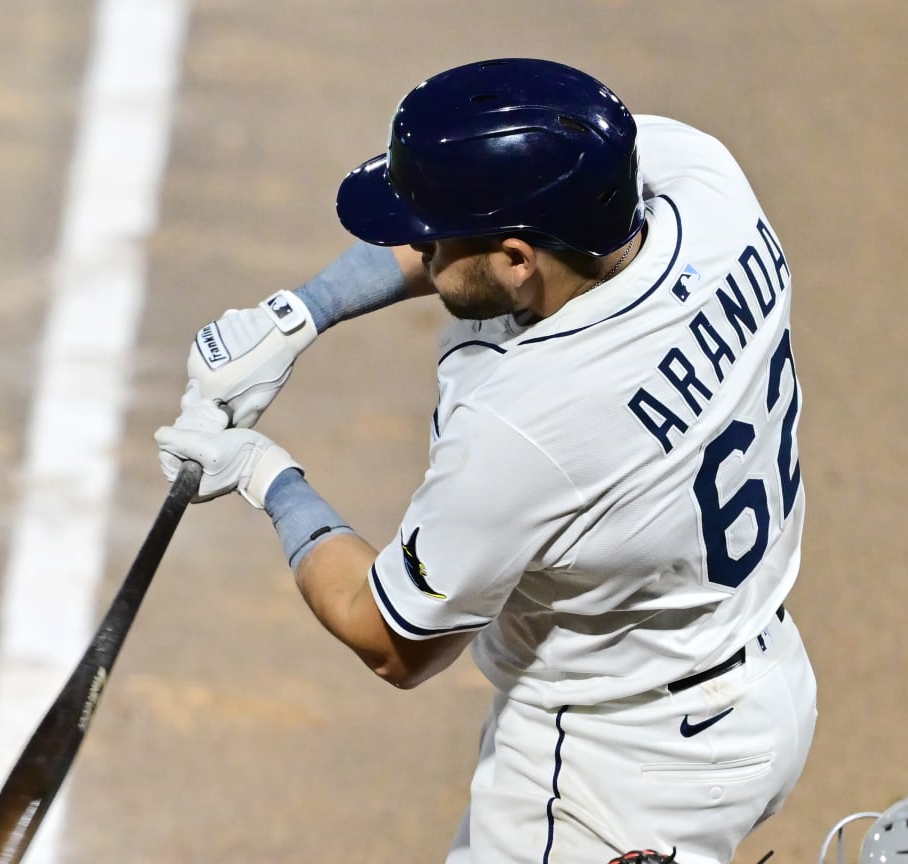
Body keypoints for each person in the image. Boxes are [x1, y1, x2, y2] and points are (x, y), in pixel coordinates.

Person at [154, 58, 818, 863]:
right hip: (764, 687)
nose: (417, 245)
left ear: (515, 261)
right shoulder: (707, 192)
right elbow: (526, 206)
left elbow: (393, 639)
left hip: (613, 771)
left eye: (435, 236)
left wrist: (264, 476)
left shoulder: (530, 424)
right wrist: (299, 315)